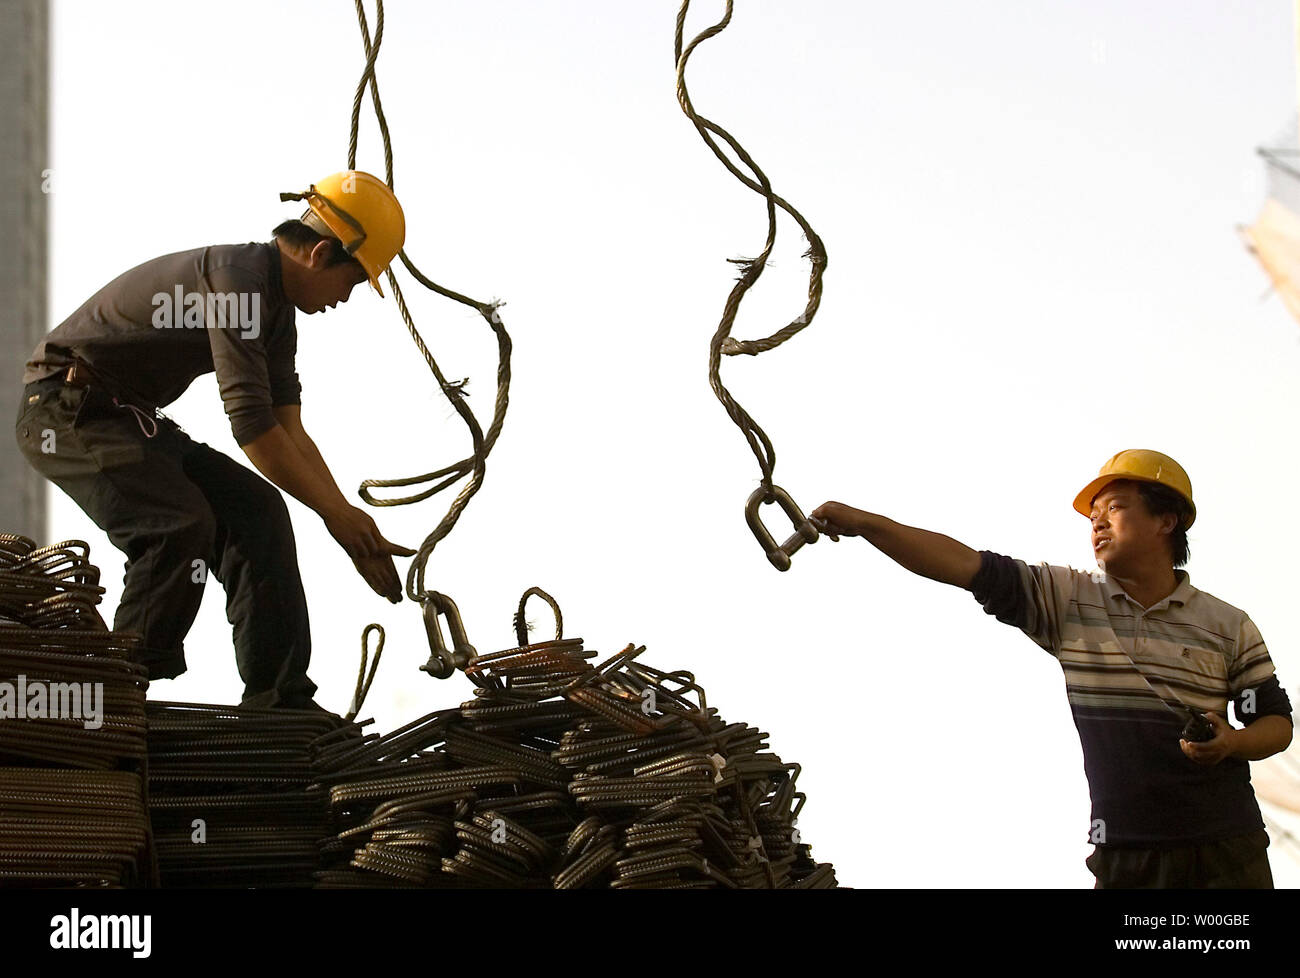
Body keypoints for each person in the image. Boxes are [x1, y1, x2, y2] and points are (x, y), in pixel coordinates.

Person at [13, 170, 414, 709]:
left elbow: (288, 428)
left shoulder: (275, 313)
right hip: (63, 409)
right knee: (175, 523)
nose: (348, 298)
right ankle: (113, 697)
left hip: (126, 416)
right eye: (355, 280)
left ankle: (280, 702)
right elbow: (251, 426)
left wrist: (347, 517)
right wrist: (335, 517)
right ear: (320, 255)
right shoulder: (239, 280)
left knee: (257, 510)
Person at [812, 449, 1294, 888]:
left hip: (1227, 849)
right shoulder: (1068, 599)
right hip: (1124, 851)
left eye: (1115, 508)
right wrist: (866, 524)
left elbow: (1275, 725)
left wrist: (1231, 742)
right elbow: (963, 565)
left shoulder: (1228, 625)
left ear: (1166, 520)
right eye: (1093, 517)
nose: (1098, 524)